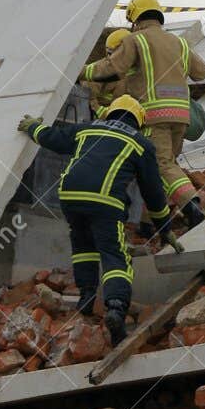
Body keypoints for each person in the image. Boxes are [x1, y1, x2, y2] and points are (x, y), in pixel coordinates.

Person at [17, 94, 171, 345]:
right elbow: (152, 192)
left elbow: (54, 138)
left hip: (70, 196)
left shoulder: (87, 129)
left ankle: (87, 297)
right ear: (139, 122)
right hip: (105, 200)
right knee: (114, 254)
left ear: (109, 113)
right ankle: (116, 308)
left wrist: (33, 126)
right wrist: (165, 228)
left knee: (83, 245)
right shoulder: (141, 144)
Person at [81, 0, 205, 226]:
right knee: (165, 165)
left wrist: (81, 71)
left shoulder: (135, 40)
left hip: (154, 116)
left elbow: (113, 67)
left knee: (162, 165)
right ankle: (152, 221)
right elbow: (201, 73)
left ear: (135, 19)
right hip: (181, 116)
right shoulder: (179, 42)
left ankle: (193, 207)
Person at [86, 27, 131, 116]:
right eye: (110, 54)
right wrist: (104, 114)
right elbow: (88, 97)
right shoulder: (101, 69)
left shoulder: (134, 71)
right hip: (103, 121)